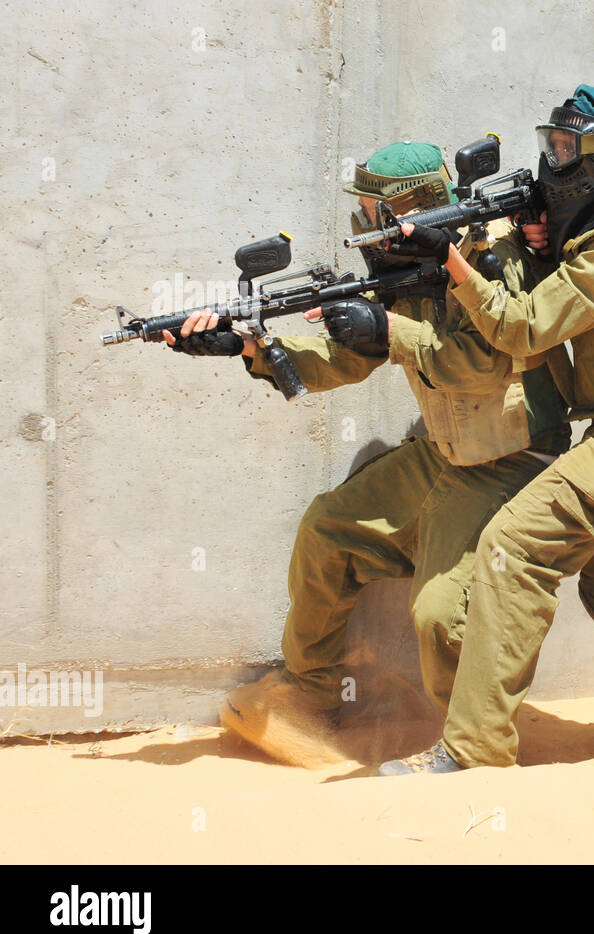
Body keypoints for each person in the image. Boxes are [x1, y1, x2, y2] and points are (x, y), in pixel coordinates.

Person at [165, 141, 570, 766]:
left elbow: (486, 362)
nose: (362, 222)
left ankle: (476, 750)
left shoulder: (497, 259)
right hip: (441, 454)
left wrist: (391, 330)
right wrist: (249, 350)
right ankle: (310, 694)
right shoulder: (400, 270)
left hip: (513, 461)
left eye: (371, 209)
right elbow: (348, 359)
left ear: (408, 209)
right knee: (328, 530)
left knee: (441, 615)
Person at [375, 85, 594, 775]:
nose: (553, 161)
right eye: (552, 145)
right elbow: (573, 276)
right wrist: (546, 239)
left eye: (569, 150)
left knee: (514, 546)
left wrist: (453, 261)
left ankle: (475, 749)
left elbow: (524, 325)